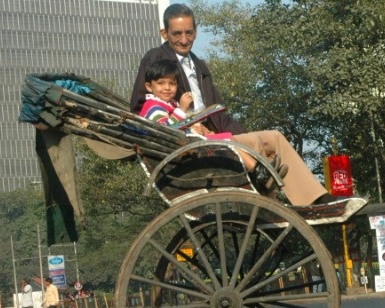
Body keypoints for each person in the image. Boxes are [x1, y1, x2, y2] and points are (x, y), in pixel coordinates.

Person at [130, 4, 357, 207]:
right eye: (177, 33)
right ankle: (306, 202)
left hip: (215, 135)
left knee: (271, 139)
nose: (183, 39)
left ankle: (306, 200)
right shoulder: (157, 59)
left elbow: (219, 111)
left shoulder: (198, 65)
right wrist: (187, 124)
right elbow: (141, 105)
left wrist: (244, 136)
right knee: (261, 145)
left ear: (196, 31)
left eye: (189, 32)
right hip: (191, 143)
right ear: (165, 33)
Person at [139, 58, 256, 170]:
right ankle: (255, 169)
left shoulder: (168, 104)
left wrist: (199, 128)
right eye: (161, 83)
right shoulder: (154, 106)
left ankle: (256, 167)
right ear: (149, 87)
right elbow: (165, 130)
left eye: (172, 83)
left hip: (188, 147)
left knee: (228, 139)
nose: (167, 88)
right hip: (183, 151)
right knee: (228, 141)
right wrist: (182, 109)